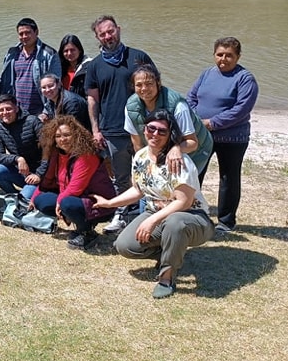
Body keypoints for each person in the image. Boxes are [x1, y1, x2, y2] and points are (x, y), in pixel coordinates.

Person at [92, 111, 215, 299]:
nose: (155, 134)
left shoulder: (178, 160)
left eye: (162, 131)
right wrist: (109, 203)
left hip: (192, 217)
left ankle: (167, 278)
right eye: (151, 129)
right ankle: (171, 252)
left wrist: (152, 221)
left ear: (170, 135)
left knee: (175, 223)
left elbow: (184, 202)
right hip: (156, 211)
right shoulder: (141, 156)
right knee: (125, 245)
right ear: (144, 129)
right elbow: (138, 190)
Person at [84, 15, 154, 233]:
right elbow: (93, 99)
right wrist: (95, 130)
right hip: (112, 130)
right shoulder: (94, 65)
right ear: (97, 37)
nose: (108, 36)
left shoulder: (138, 57)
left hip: (143, 128)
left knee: (148, 171)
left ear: (118, 30)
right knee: (122, 177)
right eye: (102, 34)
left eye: (110, 31)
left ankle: (150, 212)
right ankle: (121, 214)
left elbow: (154, 88)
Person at [187, 36, 259, 233]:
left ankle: (226, 222)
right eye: (220, 54)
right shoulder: (206, 74)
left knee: (228, 178)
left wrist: (212, 123)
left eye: (229, 55)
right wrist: (194, 119)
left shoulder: (245, 79)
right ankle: (192, 212)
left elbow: (241, 109)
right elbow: (191, 97)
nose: (223, 59)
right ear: (214, 55)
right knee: (194, 173)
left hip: (233, 139)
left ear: (238, 57)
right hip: (203, 136)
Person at [30, 116, 115, 249]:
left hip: (98, 201)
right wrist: (34, 198)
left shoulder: (87, 155)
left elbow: (76, 186)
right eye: (58, 136)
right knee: (42, 200)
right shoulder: (57, 154)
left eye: (67, 135)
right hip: (74, 198)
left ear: (76, 135)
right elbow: (48, 180)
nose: (62, 139)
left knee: (67, 203)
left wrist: (60, 203)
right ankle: (78, 222)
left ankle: (86, 232)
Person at [125, 63, 213, 176]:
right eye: (139, 85)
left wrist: (176, 149)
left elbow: (192, 142)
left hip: (197, 148)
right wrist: (146, 164)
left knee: (182, 184)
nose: (144, 89)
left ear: (158, 83)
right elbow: (137, 143)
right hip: (164, 148)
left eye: (149, 84)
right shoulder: (130, 107)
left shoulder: (178, 106)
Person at [0, 17, 61, 117]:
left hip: (40, 113)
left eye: (28, 33)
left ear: (36, 32)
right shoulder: (12, 54)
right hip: (17, 111)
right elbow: (7, 84)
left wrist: (46, 112)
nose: (24, 36)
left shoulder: (49, 54)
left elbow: (56, 86)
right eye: (21, 34)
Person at [0, 94, 47, 202]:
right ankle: (15, 197)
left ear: (16, 108)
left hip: (38, 174)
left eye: (8, 109)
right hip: (21, 172)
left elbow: (49, 150)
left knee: (25, 197)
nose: (5, 113)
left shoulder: (32, 121)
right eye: (1, 110)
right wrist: (17, 159)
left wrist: (39, 174)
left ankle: (26, 197)